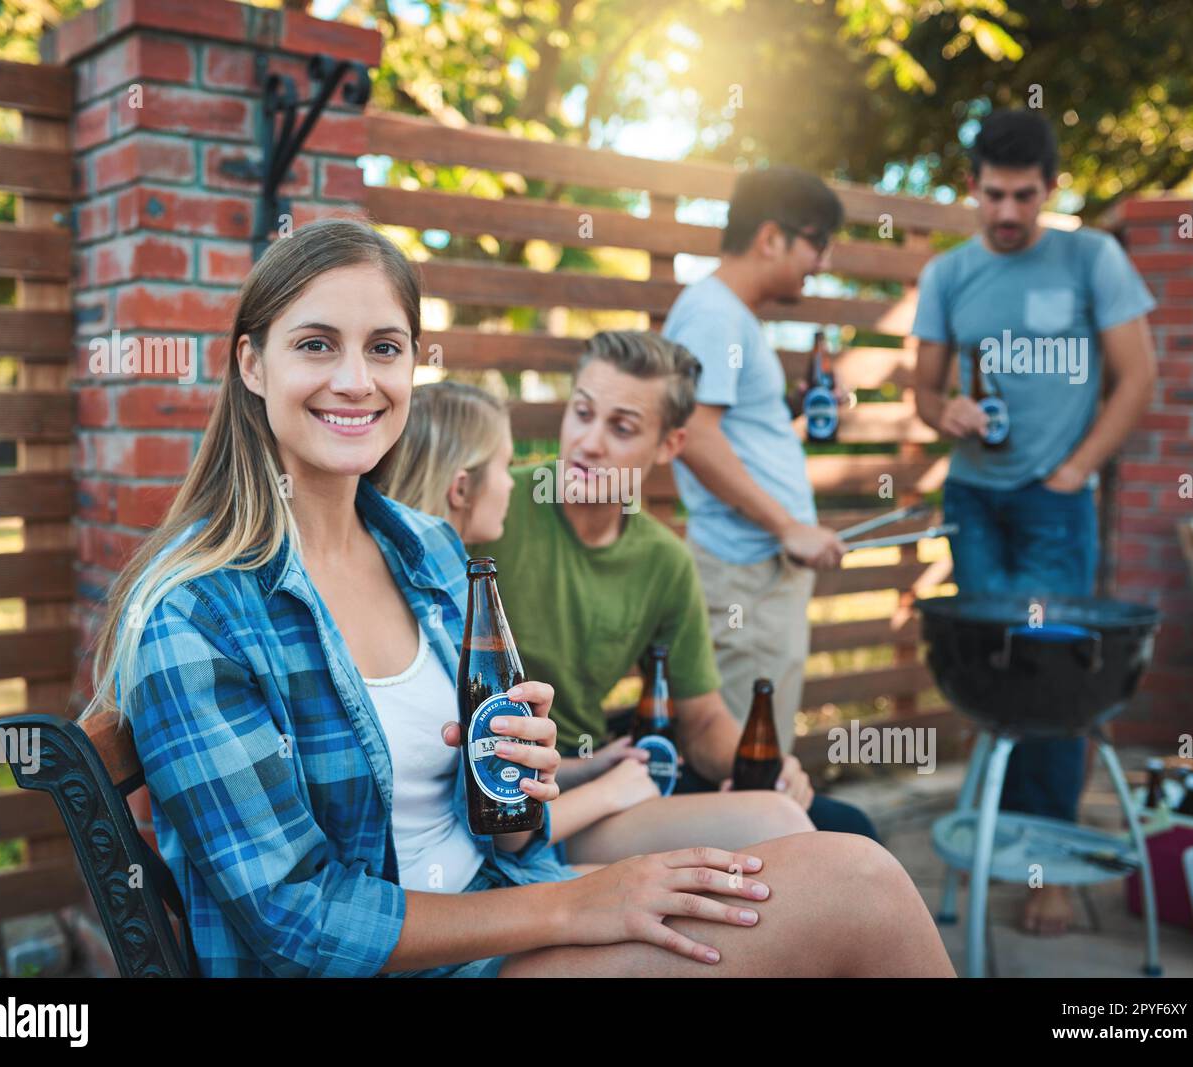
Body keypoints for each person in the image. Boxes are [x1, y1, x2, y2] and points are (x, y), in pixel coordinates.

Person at [79, 219, 952, 978]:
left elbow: (502, 827)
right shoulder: (196, 612)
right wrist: (581, 904)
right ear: (252, 364)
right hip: (417, 958)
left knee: (825, 861)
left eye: (384, 348)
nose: (356, 381)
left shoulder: (424, 549)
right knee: (858, 891)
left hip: (503, 898)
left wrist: (523, 776)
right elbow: (297, 923)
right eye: (316, 344)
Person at [381, 335, 878, 858]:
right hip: (516, 793)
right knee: (792, 841)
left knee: (844, 826)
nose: (588, 443)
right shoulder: (487, 504)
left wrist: (770, 768)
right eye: (581, 412)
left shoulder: (664, 561)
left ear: (670, 445)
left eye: (621, 427)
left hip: (599, 767)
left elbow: (702, 719)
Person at [911, 109, 1158, 936]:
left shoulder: (1093, 258)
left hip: (1056, 504)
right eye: (992, 195)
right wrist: (946, 413)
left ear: (1052, 189)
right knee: (999, 671)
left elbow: (1137, 379)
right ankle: (998, 837)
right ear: (971, 188)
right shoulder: (949, 275)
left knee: (1055, 678)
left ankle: (1048, 868)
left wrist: (1074, 473)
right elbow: (924, 393)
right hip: (975, 503)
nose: (1007, 213)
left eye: (1024, 196)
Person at [661, 165, 848, 762]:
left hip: (758, 574)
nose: (821, 263)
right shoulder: (715, 315)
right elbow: (695, 436)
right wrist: (787, 526)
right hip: (747, 575)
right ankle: (747, 857)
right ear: (772, 237)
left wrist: (790, 409)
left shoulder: (725, 315)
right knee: (747, 759)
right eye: (817, 244)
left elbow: (722, 427)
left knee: (758, 749)